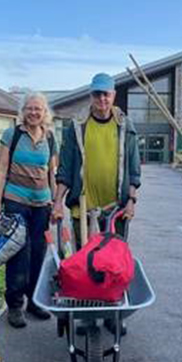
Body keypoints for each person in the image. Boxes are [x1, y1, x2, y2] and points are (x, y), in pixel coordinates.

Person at [52, 72, 141, 334]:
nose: (102, 98)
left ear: (113, 96)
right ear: (90, 96)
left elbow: (134, 168)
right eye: (97, 94)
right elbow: (65, 169)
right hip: (84, 208)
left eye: (106, 94)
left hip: (116, 208)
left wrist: (132, 200)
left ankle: (113, 316)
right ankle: (89, 317)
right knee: (86, 265)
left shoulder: (125, 125)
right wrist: (58, 202)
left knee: (114, 265)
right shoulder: (77, 126)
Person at [0, 92, 58, 328]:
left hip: (42, 204)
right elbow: (2, 169)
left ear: (44, 112)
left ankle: (35, 301)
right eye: (29, 108)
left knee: (39, 252)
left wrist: (55, 202)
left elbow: (51, 172)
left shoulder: (50, 137)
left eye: (38, 109)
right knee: (18, 253)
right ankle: (15, 306)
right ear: (23, 111)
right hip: (15, 200)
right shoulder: (12, 134)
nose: (33, 113)